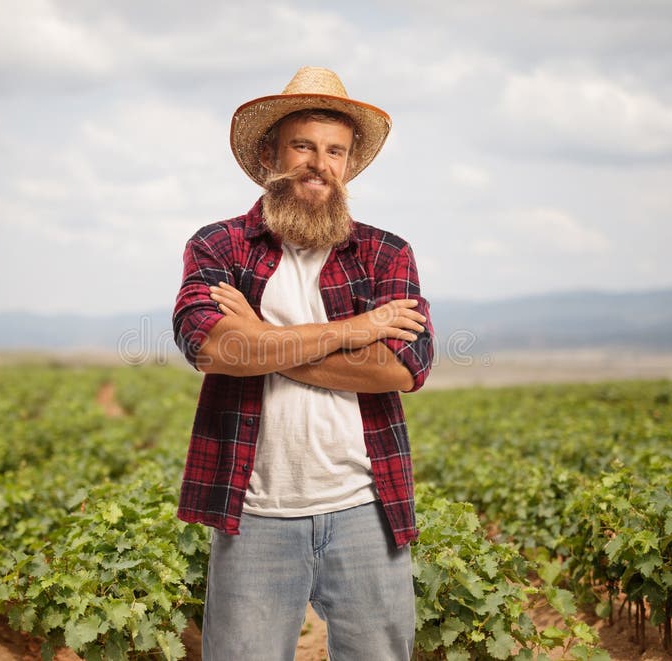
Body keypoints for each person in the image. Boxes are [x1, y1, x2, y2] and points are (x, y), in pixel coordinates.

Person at [172, 66, 434, 660]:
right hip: (254, 512)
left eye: (335, 151)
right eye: (304, 146)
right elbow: (212, 348)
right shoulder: (220, 246)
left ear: (348, 164)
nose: (320, 163)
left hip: (366, 508)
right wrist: (352, 331)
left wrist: (262, 339)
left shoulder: (385, 251)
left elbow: (402, 368)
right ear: (271, 153)